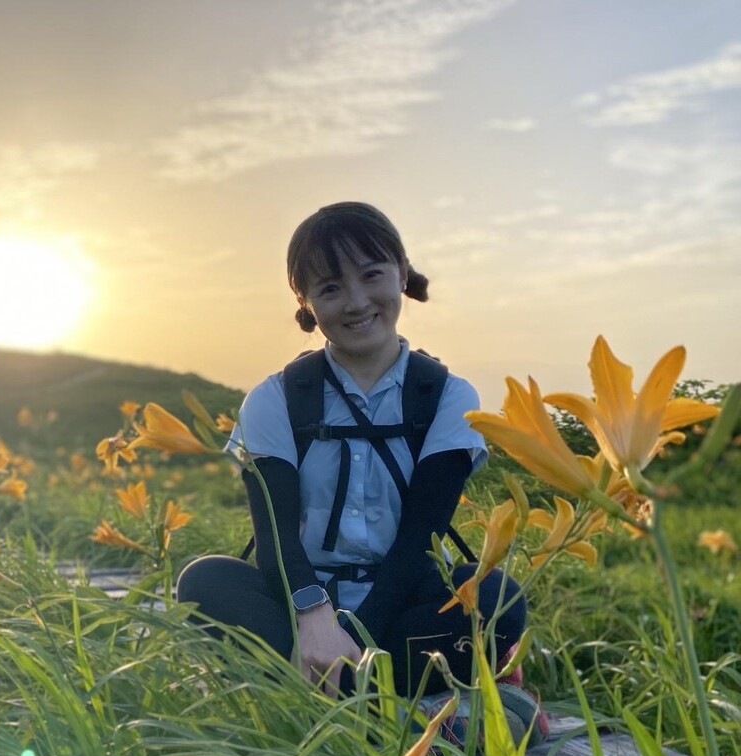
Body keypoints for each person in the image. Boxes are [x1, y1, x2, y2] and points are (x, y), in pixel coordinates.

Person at [176, 202, 533, 722]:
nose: (357, 302)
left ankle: (327, 707)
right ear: (305, 302)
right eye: (330, 288)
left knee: (498, 598)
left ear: (402, 272)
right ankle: (418, 716)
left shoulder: (448, 397)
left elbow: (420, 538)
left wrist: (357, 642)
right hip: (301, 613)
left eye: (371, 275)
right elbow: (276, 536)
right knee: (202, 582)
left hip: (403, 607)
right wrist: (314, 616)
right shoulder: (274, 399)